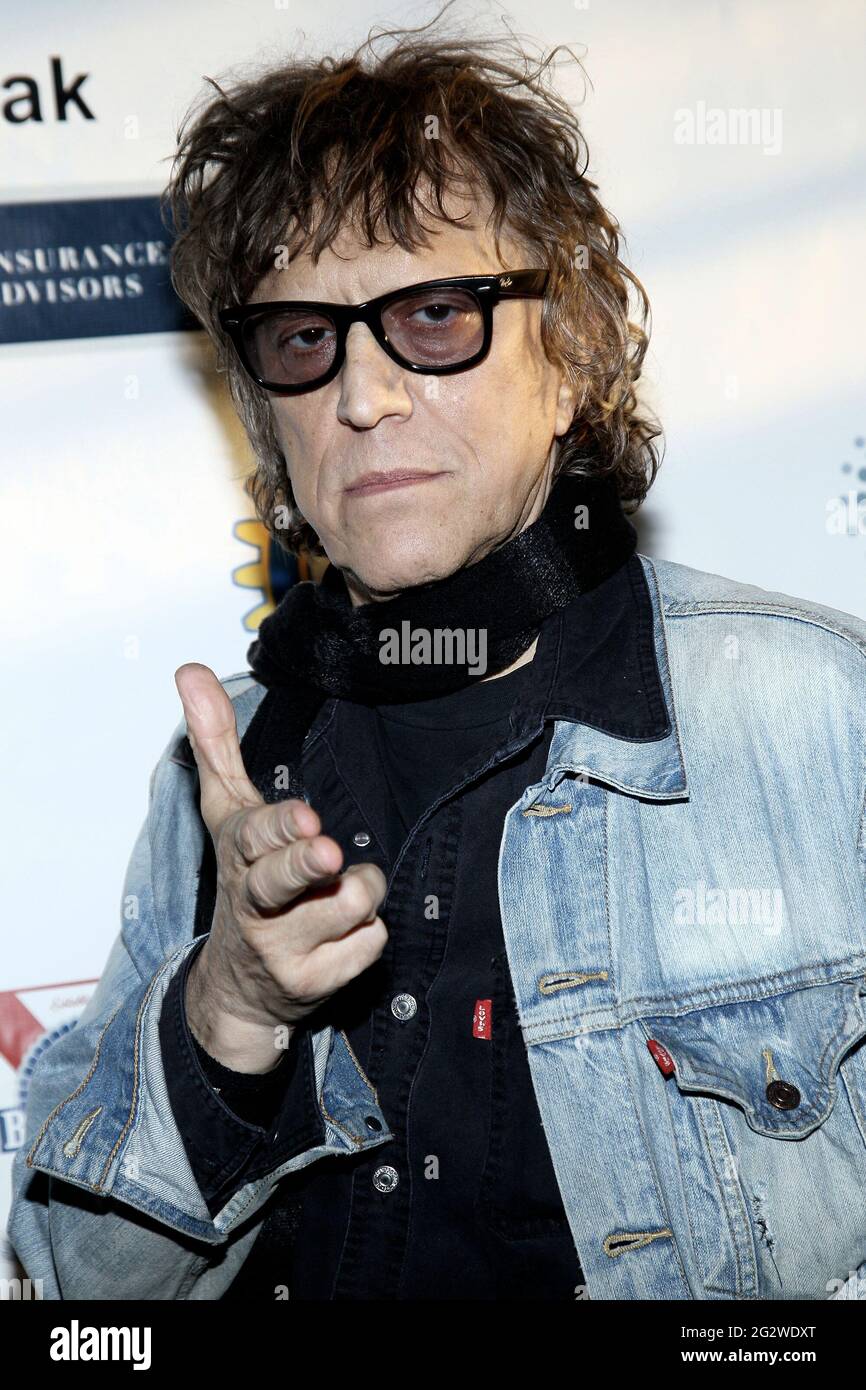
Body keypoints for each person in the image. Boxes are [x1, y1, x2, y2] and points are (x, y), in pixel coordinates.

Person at [9, 13, 866, 1302]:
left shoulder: (819, 720)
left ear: (569, 354)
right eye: (305, 338)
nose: (363, 394)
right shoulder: (223, 780)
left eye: (433, 314)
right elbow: (83, 1305)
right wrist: (229, 1011)